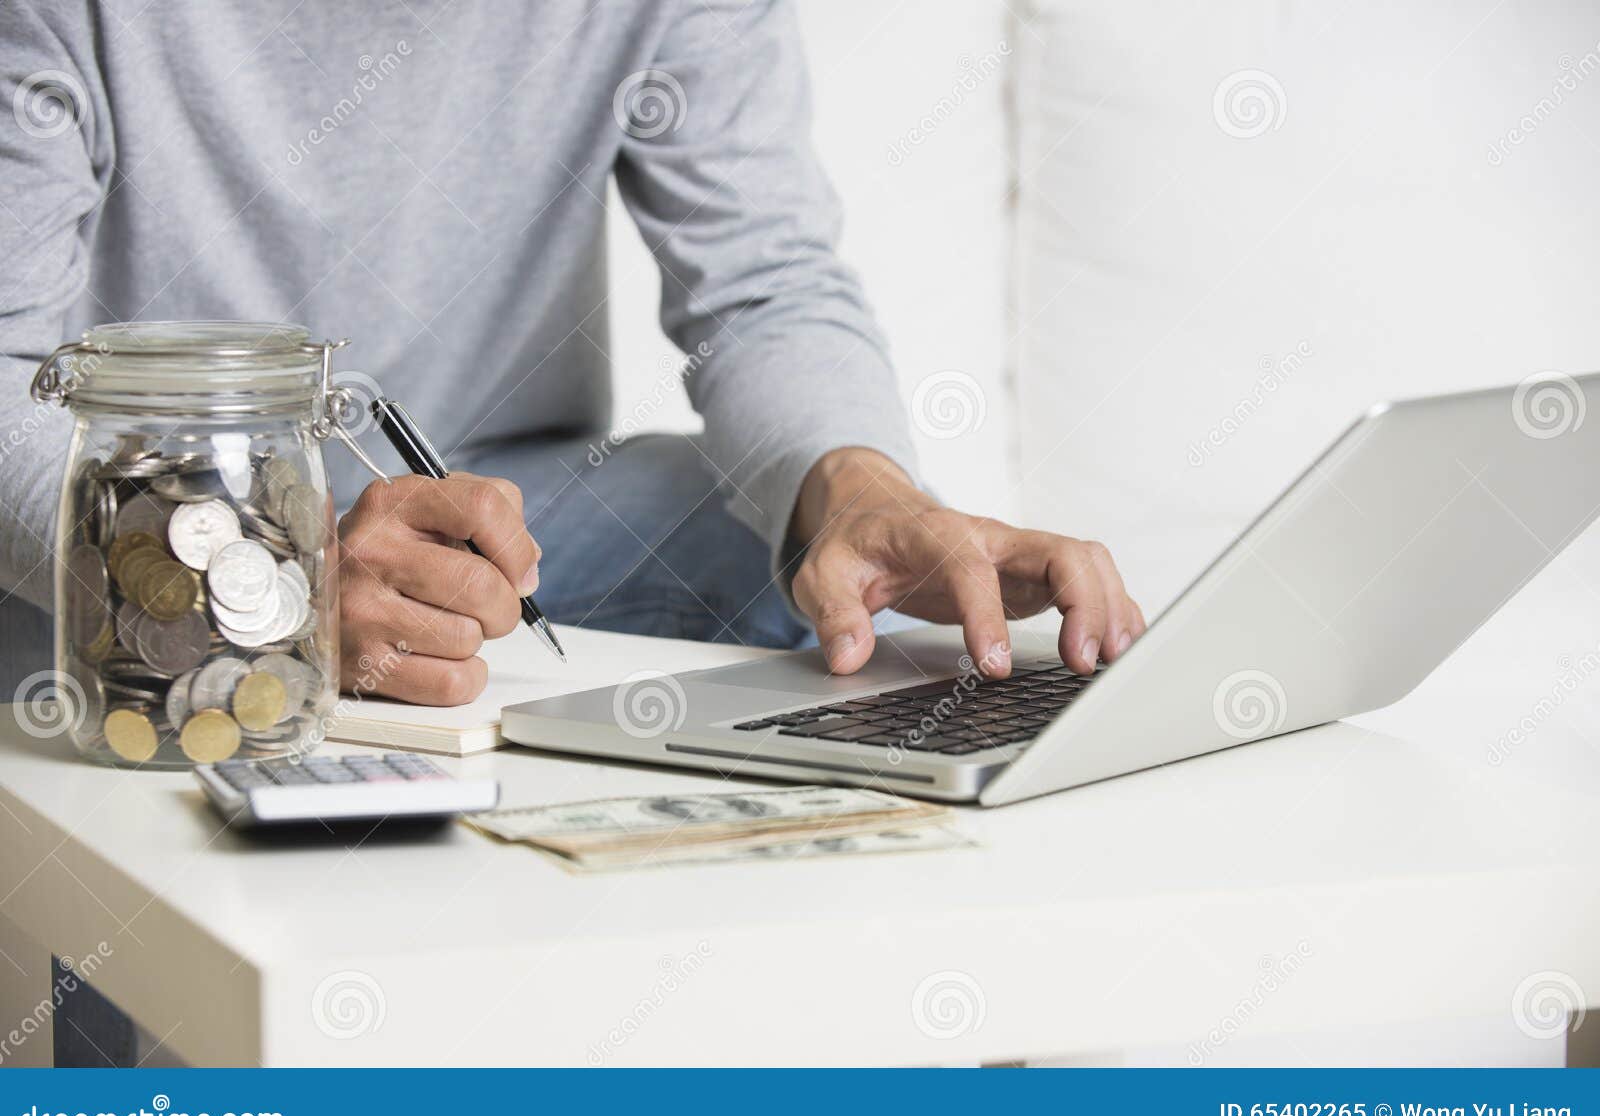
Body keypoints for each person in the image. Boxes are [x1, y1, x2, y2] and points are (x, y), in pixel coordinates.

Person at [0, 0, 1145, 709]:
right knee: (124, 645)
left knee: (813, 566)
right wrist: (268, 573)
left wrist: (861, 493)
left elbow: (764, 283)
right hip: (155, 513)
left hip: (512, 513)